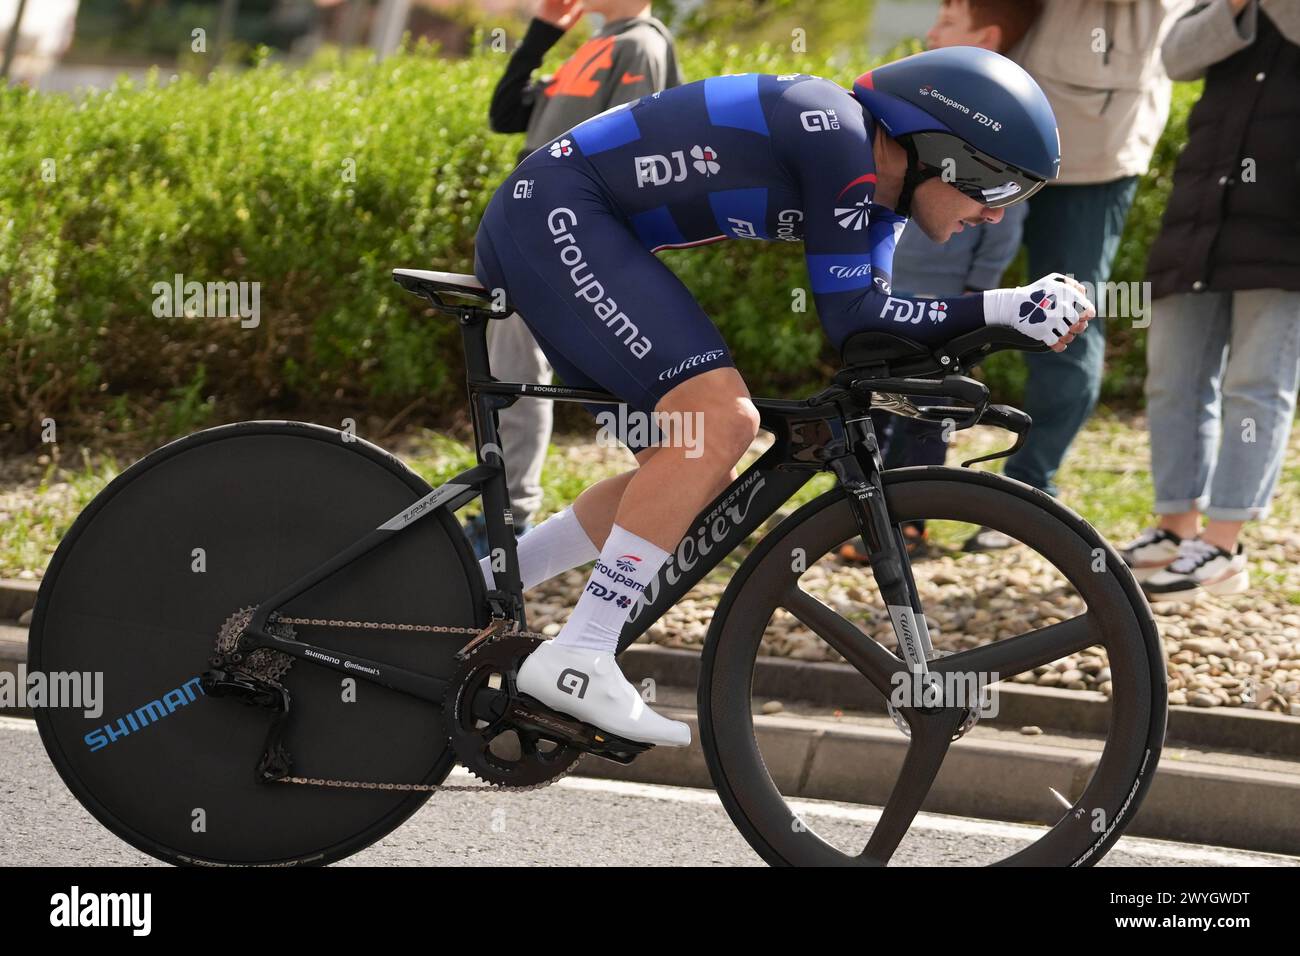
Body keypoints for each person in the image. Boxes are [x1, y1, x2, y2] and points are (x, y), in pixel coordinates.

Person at [473, 48, 1096, 746]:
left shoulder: (876, 201)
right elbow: (856, 319)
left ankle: (464, 587)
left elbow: (872, 332)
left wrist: (996, 330)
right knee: (719, 425)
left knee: (689, 473)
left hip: (565, 216)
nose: (992, 214)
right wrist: (1005, 307)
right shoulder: (837, 138)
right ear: (944, 152)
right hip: (556, 212)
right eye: (997, 186)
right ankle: (581, 654)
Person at [962, 0, 1185, 551]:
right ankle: (906, 482)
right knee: (951, 292)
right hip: (992, 119)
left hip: (1092, 141)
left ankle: (1028, 489)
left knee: (1066, 312)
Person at [468, 0, 683, 557]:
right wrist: (543, 33)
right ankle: (506, 518)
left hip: (562, 231)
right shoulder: (595, 45)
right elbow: (505, 114)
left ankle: (673, 484)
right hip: (528, 226)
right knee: (512, 367)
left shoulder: (641, 44)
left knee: (582, 364)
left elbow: (634, 151)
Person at [842, 0, 1041, 563]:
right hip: (895, 298)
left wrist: (978, 296)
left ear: (985, 39)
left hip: (949, 302)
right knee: (877, 403)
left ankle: (911, 520)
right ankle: (865, 510)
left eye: (947, 24)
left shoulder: (1001, 143)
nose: (930, 32)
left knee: (931, 412)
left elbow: (1004, 225)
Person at [1121, 0, 1300, 601]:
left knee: (1257, 383)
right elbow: (1175, 56)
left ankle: (1224, 544)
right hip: (1202, 217)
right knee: (1173, 377)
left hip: (1285, 226)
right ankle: (1177, 529)